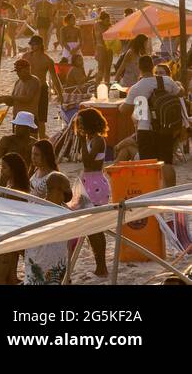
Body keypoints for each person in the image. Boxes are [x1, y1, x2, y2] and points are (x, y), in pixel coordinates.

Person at [121, 54, 186, 164]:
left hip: (146, 130)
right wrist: (180, 86)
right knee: (166, 164)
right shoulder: (166, 81)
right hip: (165, 128)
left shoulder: (136, 88)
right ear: (152, 66)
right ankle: (169, 182)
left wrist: (122, 104)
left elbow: (124, 110)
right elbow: (181, 93)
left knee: (149, 165)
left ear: (139, 67)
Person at [73, 107, 111, 277]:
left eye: (81, 123)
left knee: (96, 228)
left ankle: (102, 266)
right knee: (90, 228)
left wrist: (81, 141)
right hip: (88, 182)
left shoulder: (98, 140)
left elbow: (87, 161)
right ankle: (99, 265)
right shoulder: (90, 139)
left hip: (95, 185)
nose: (79, 126)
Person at [23, 171, 74, 284]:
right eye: (66, 187)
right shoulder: (37, 209)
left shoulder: (64, 210)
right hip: (39, 263)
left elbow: (69, 243)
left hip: (57, 262)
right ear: (57, 189)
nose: (68, 191)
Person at [0, 111, 38, 183]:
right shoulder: (7, 141)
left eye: (20, 126)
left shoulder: (34, 144)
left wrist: (26, 181)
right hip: (4, 183)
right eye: (16, 125)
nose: (16, 127)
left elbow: (34, 167)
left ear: (28, 128)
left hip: (23, 183)